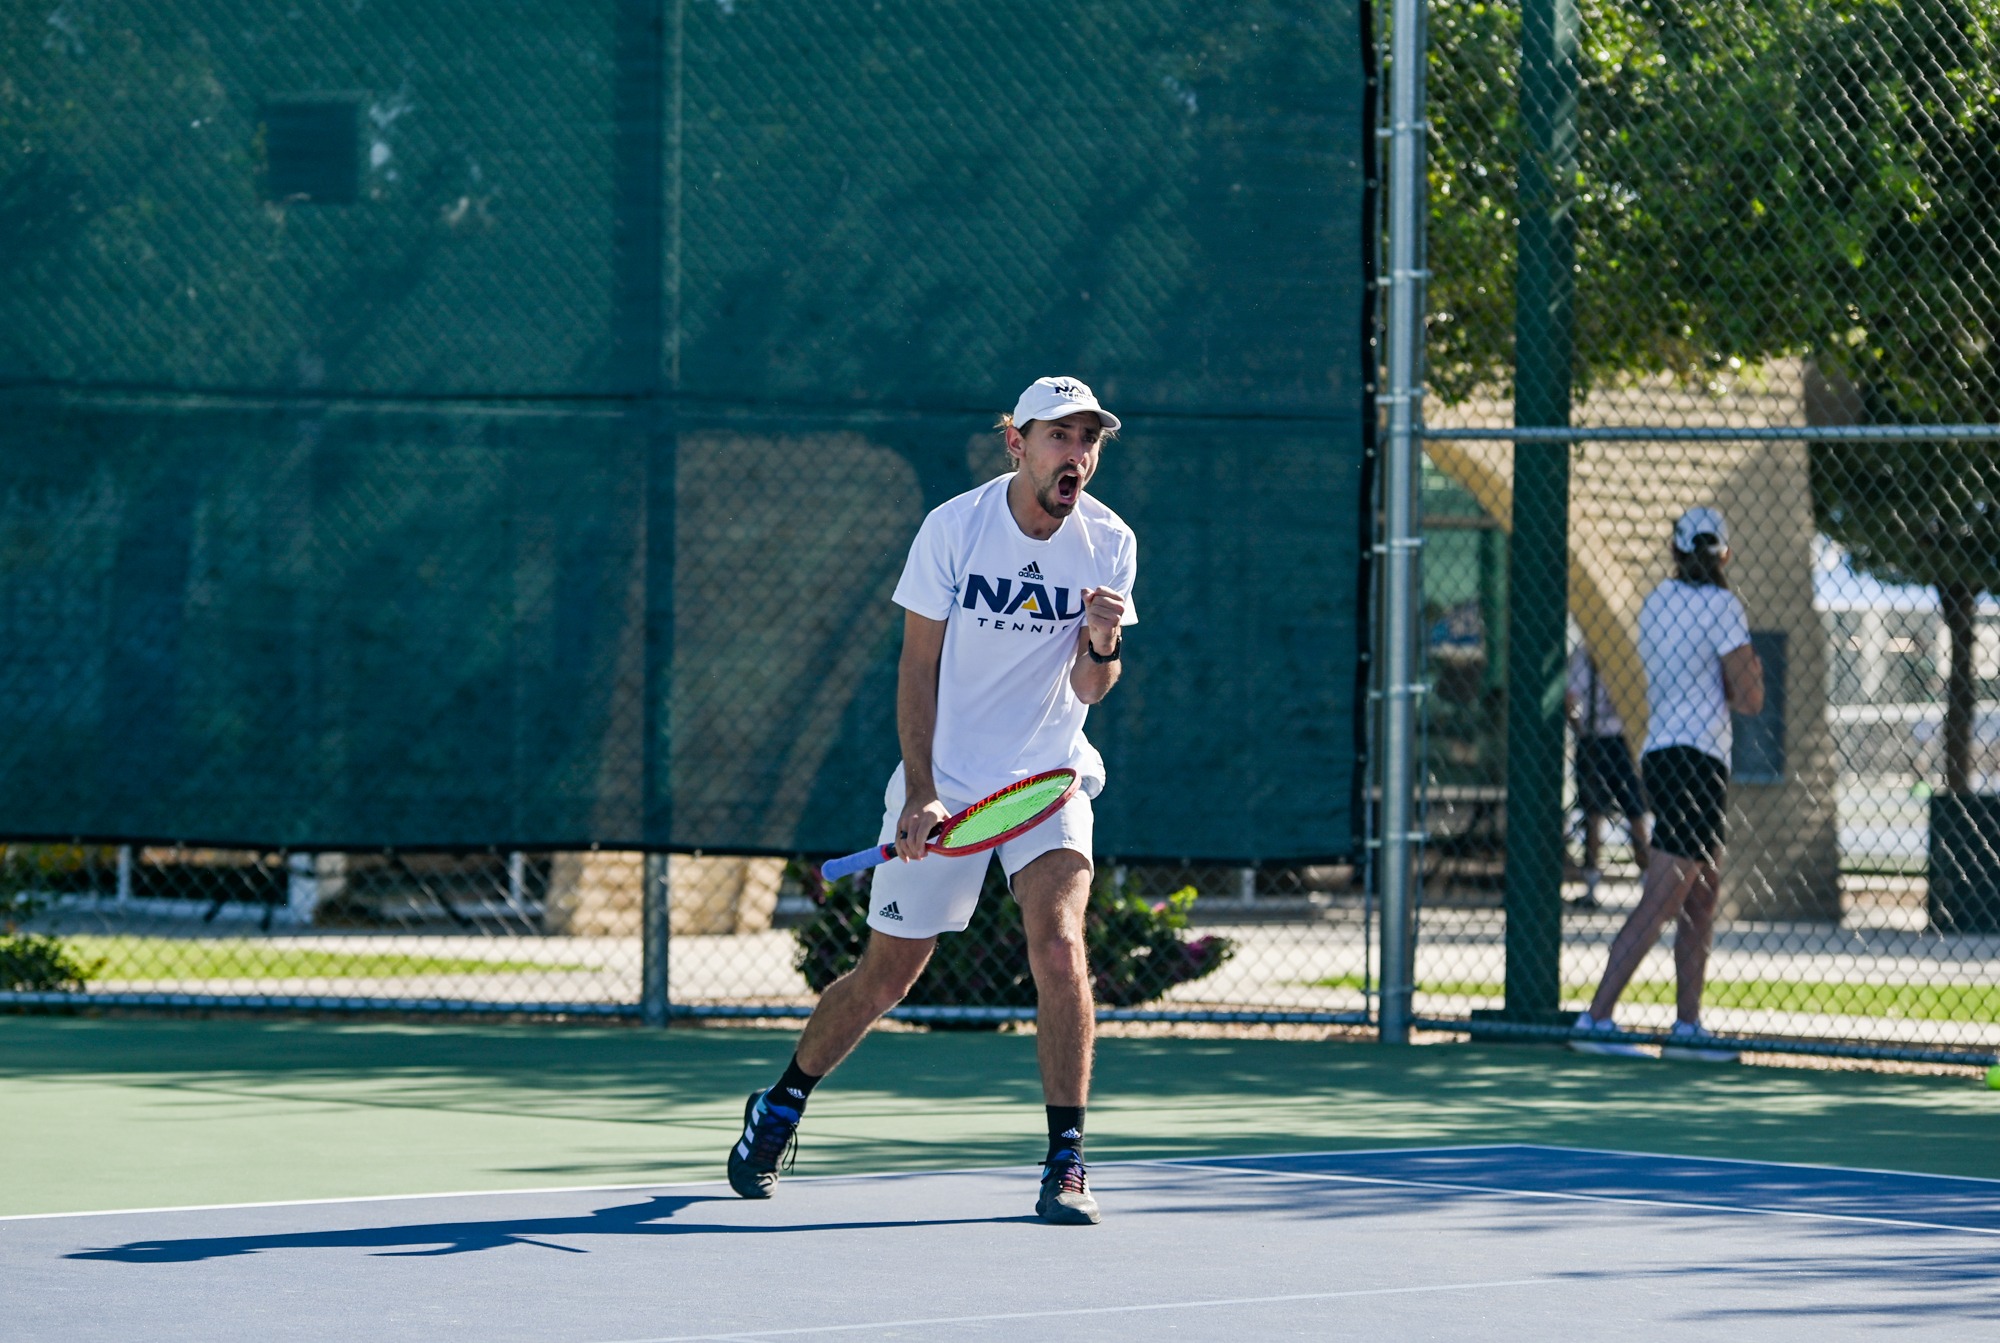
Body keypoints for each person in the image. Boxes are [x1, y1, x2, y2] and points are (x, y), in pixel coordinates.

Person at [726, 376, 1137, 1225]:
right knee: (885, 977)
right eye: (1061, 437)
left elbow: (1093, 687)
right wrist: (921, 792)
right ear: (1016, 443)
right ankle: (781, 1104)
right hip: (945, 785)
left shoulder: (1111, 542)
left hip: (1048, 781)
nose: (1079, 455)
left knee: (1059, 947)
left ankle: (1067, 1160)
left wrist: (1102, 638)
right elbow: (917, 669)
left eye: (1090, 439)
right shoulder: (954, 528)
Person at [1571, 507, 1763, 1063]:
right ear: (1724, 553)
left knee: (1701, 899)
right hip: (1695, 764)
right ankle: (1597, 1017)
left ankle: (1686, 1030)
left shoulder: (1656, 602)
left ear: (1676, 552)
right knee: (1664, 899)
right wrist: (1751, 677)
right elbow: (1750, 698)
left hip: (1664, 756)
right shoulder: (1725, 606)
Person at [1566, 640, 1651, 908]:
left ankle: (1593, 885)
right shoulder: (1627, 651)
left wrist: (1581, 730)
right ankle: (1648, 884)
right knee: (1631, 810)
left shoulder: (1586, 655)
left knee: (1599, 813)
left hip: (1599, 740)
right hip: (1620, 739)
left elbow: (1570, 700)